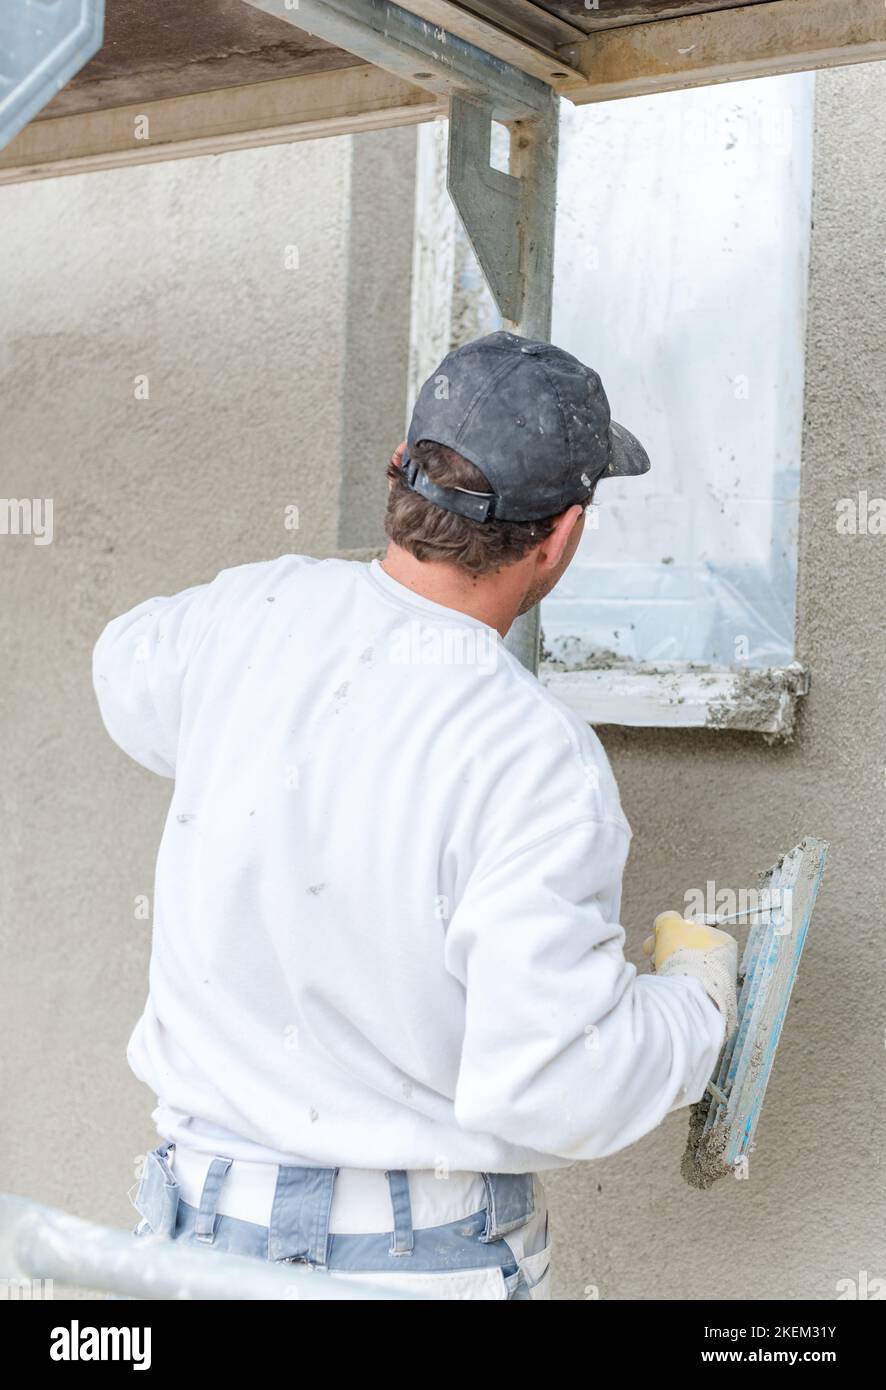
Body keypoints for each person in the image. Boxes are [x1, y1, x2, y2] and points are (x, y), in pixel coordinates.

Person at [93, 331, 736, 1300]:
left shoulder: (249, 613)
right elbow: (555, 1082)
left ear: (399, 475)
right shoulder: (534, 754)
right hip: (407, 1263)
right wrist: (695, 999)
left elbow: (121, 666)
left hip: (196, 1232)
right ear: (560, 534)